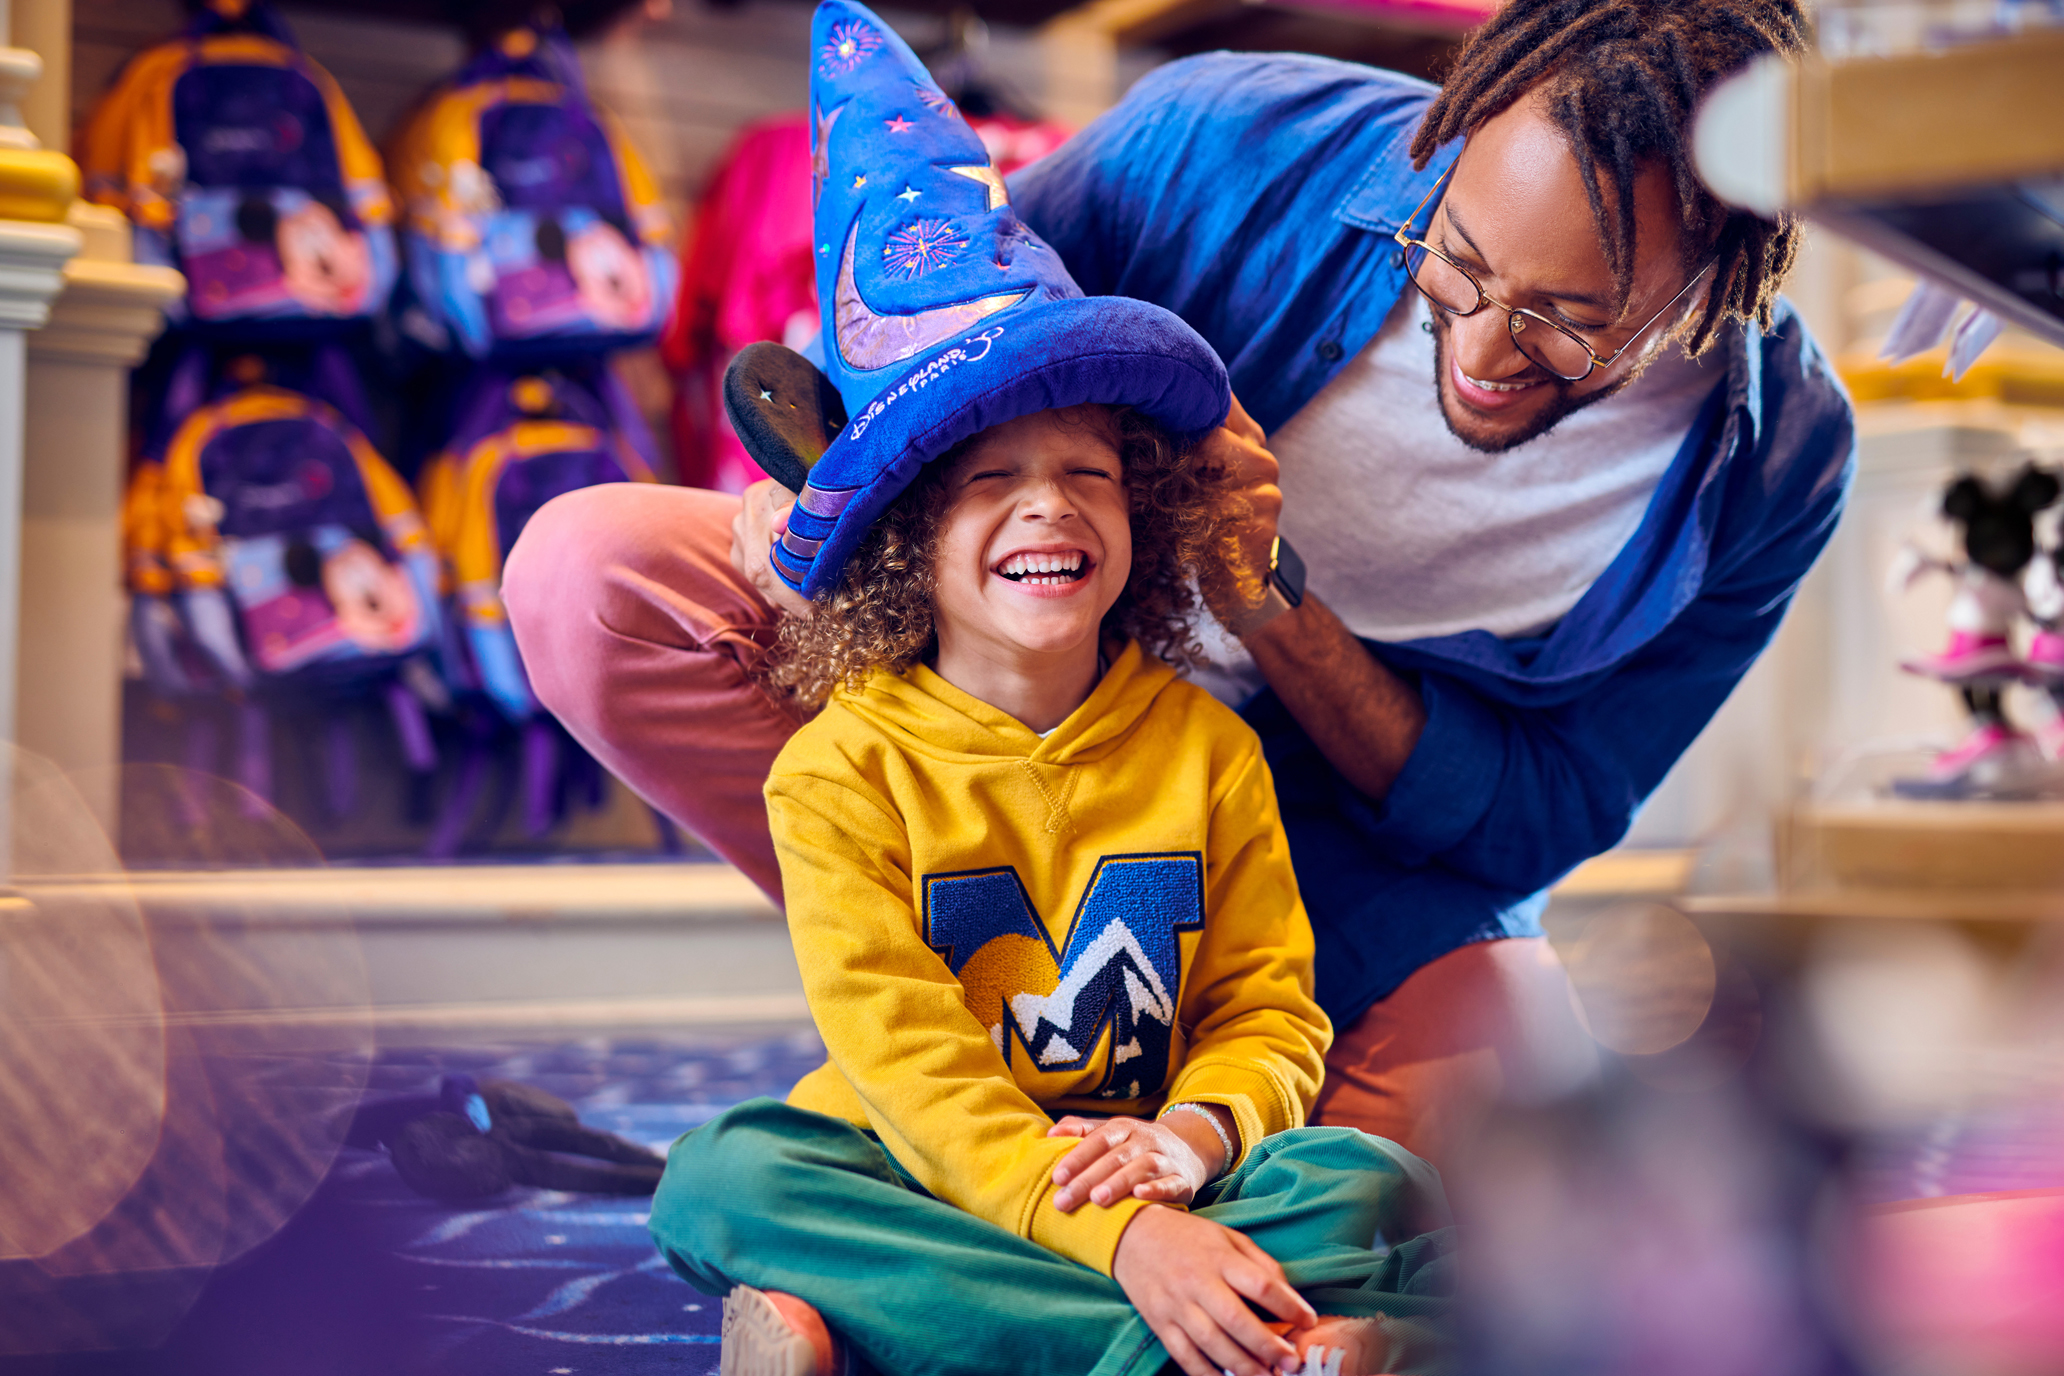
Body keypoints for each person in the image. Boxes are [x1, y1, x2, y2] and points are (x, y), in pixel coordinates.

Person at [504, 0, 1856, 1170]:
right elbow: (930, 346)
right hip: (996, 748)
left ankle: (1121, 1124)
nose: (1486, 348)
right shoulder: (1223, 142)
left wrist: (1268, 602)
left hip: (1333, 875)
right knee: (594, 575)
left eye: (1571, 321)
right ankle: (955, 991)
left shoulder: (1773, 464)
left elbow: (1536, 818)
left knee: (1505, 1102)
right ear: (1456, 137)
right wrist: (817, 503)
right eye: (1455, 263)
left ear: (1713, 288)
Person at [643, 12, 1450, 1375]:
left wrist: (1186, 1148)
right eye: (988, 480)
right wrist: (1129, 1249)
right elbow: (907, 1068)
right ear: (904, 538)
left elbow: (1269, 1012)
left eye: (1087, 472)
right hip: (936, 1172)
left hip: (1160, 1168)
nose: (1047, 507)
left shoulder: (1206, 749)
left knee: (1369, 1182)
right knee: (725, 1177)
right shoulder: (835, 776)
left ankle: (901, 1335)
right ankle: (1234, 1341)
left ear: (1137, 511)